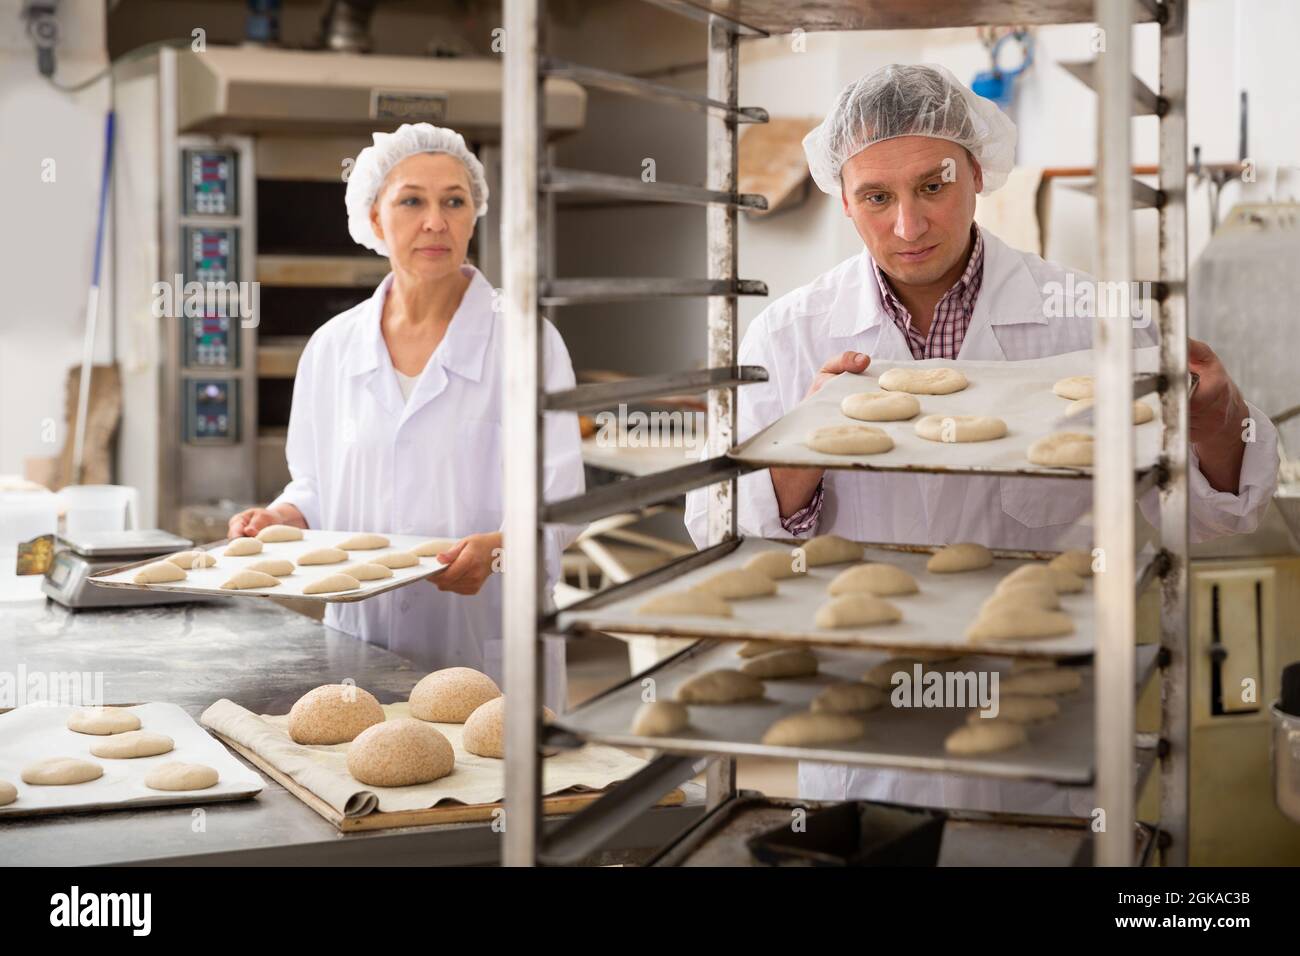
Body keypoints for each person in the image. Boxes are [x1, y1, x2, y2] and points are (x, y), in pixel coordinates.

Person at [684, 65, 1279, 813]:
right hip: (867, 728)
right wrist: (803, 446)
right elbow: (713, 534)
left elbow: (1220, 517)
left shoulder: (1090, 323)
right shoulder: (790, 334)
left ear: (976, 172)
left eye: (932, 186)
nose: (908, 225)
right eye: (876, 197)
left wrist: (1219, 420)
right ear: (844, 199)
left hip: (1043, 722)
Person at [228, 123, 584, 712]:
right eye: (412, 201)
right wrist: (282, 516)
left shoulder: (526, 342)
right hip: (358, 646)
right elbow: (315, 484)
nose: (435, 222)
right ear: (374, 220)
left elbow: (562, 504)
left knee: (494, 795)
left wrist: (501, 550)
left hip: (483, 644)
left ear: (475, 216)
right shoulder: (332, 347)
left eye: (454, 201)